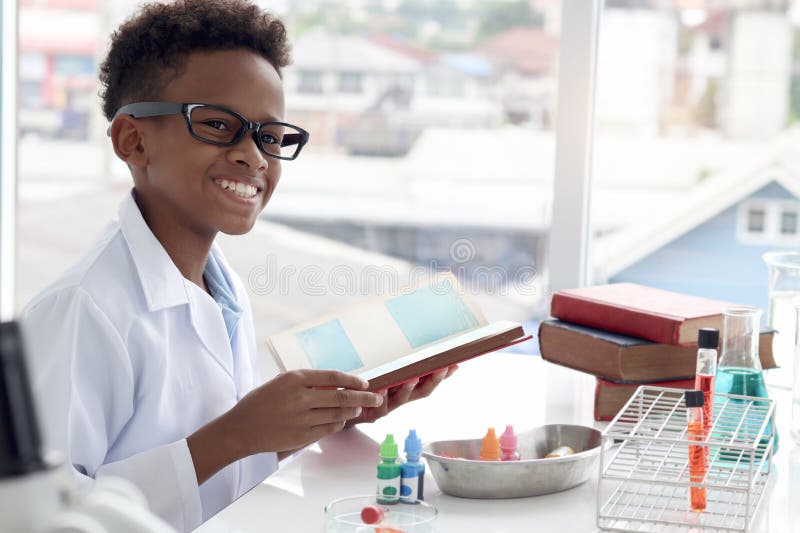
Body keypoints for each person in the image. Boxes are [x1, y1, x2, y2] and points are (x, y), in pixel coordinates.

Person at [19, 1, 454, 531]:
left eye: (270, 136)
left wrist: (317, 422)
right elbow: (43, 518)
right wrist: (236, 434)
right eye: (218, 124)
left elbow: (219, 478)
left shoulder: (222, 290)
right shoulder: (83, 308)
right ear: (132, 140)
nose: (254, 156)